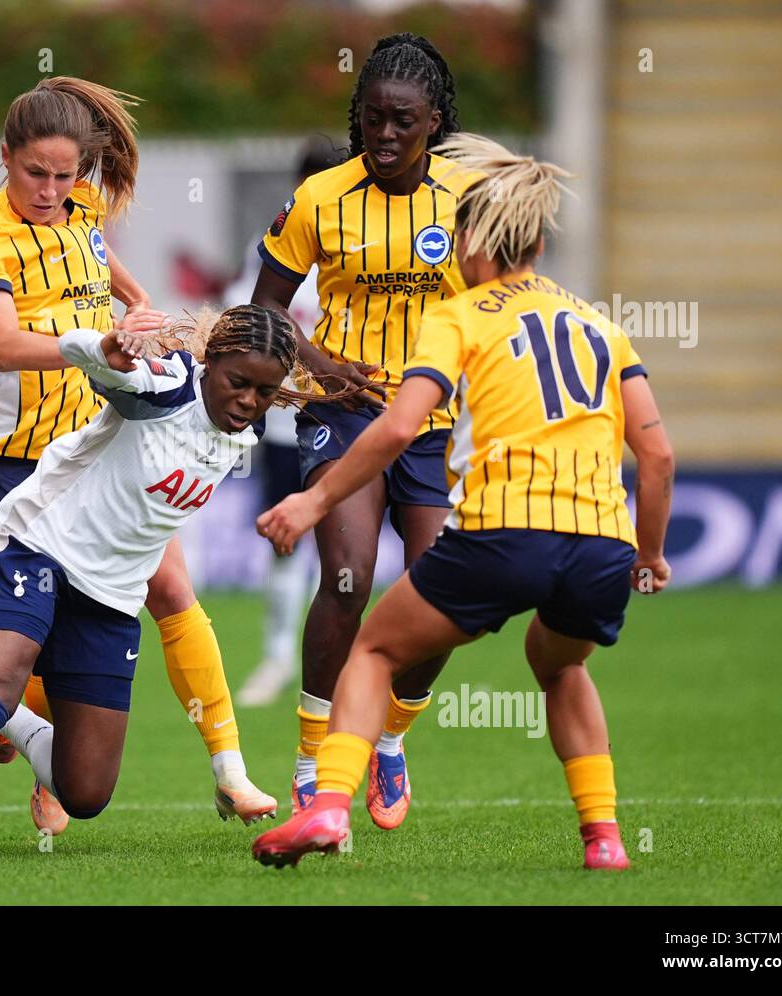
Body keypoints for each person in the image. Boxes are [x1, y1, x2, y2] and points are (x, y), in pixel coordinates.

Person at [0, 305, 351, 865]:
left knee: (85, 792)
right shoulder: (166, 387)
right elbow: (107, 374)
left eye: (265, 392)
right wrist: (101, 348)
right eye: (238, 382)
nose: (248, 401)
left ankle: (15, 721)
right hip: (36, 548)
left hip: (110, 600)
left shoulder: (241, 436)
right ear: (213, 361)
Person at [251, 135, 675, 871]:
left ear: (468, 245)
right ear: (539, 241)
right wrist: (649, 553)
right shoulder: (600, 323)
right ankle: (604, 839)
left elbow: (398, 425)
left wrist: (315, 500)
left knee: (376, 650)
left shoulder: (461, 314)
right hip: (601, 542)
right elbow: (660, 456)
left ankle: (325, 808)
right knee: (562, 666)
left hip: (504, 532)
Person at [0, 76, 276, 834]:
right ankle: (27, 738)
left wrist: (136, 303)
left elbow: (97, 260)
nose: (52, 190)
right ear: (7, 159)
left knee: (173, 592)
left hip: (99, 450)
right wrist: (97, 347)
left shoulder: (80, 208)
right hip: (23, 461)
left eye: (65, 177)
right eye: (37, 174)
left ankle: (230, 769)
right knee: (27, 652)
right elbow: (1, 342)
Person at [251, 34, 481, 829]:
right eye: (372, 119)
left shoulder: (467, 198)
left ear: (435, 122)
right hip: (342, 411)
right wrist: (320, 360)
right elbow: (263, 310)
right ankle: (315, 760)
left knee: (442, 596)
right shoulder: (320, 198)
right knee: (346, 578)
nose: (384, 136)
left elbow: (497, 300)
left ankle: (389, 735)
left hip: (436, 418)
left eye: (403, 122)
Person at [226, 137, 333, 708]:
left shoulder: (356, 245)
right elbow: (245, 312)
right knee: (285, 541)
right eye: (305, 182)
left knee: (342, 551)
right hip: (288, 420)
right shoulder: (269, 247)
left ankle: (336, 667)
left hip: (340, 419)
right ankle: (275, 657)